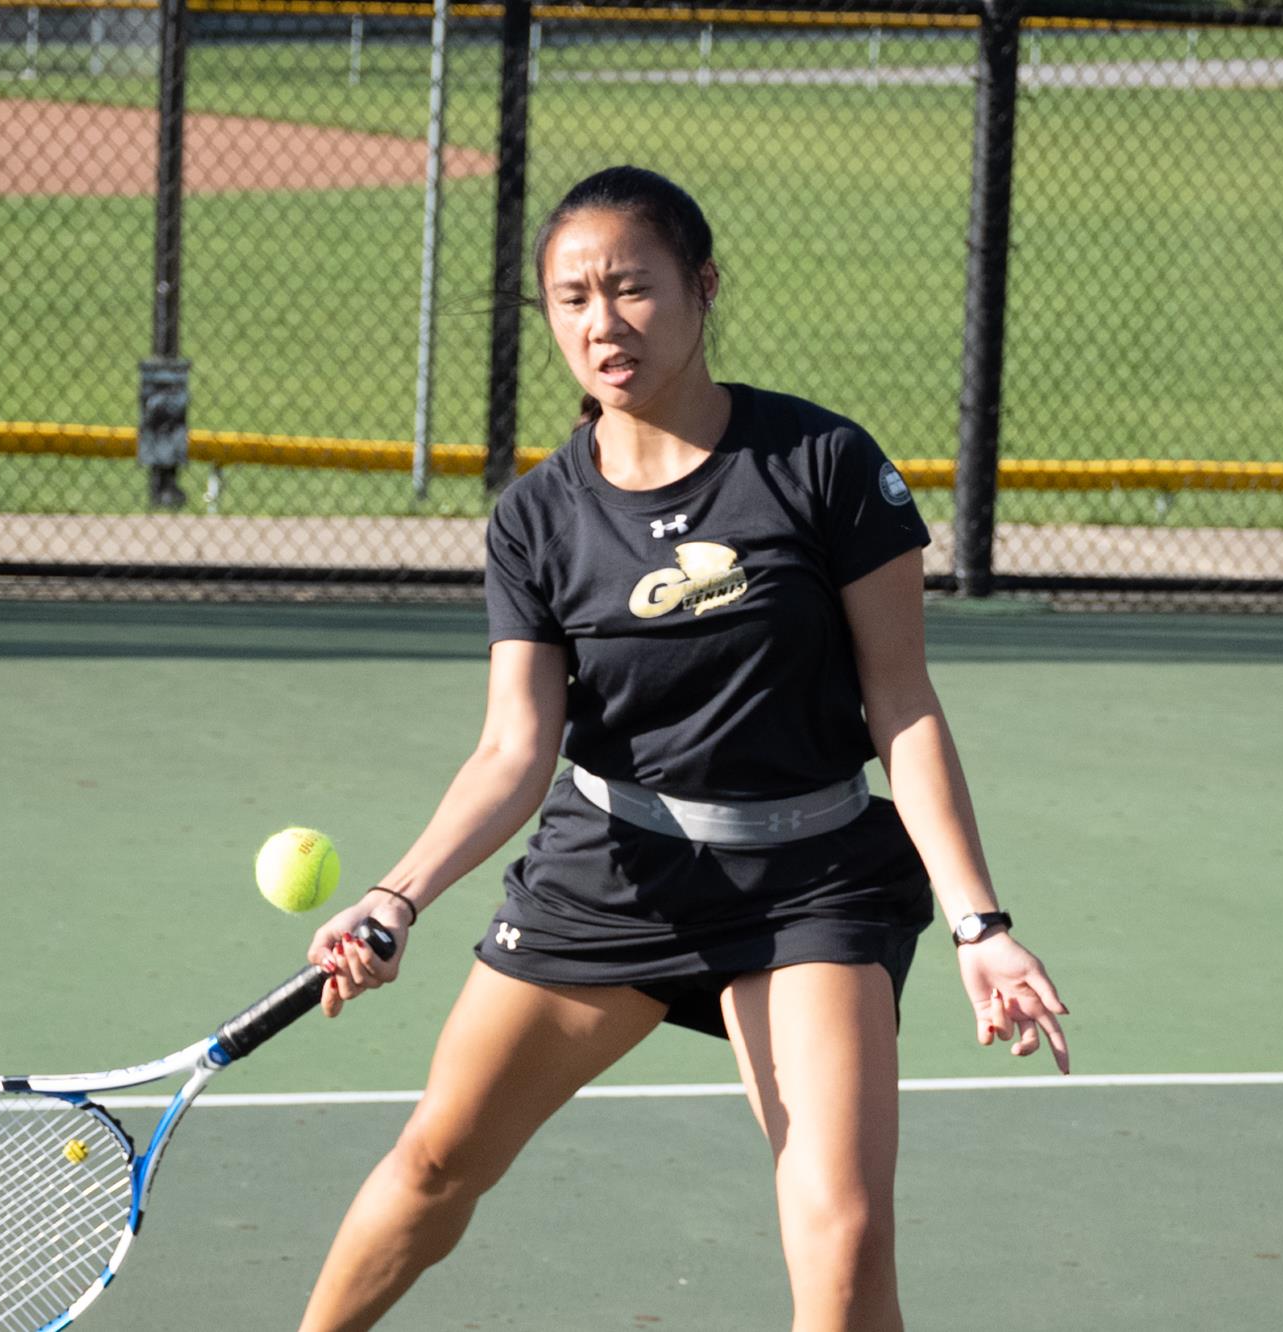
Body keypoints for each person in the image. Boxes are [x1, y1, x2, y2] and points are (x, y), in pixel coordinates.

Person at [295, 165, 1069, 1332]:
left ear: (702, 289)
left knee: (844, 1233)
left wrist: (979, 924)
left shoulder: (822, 465)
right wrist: (396, 897)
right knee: (434, 1168)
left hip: (808, 880)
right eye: (569, 299)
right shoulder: (535, 519)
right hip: (612, 872)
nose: (601, 324)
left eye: (631, 289)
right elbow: (514, 746)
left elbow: (900, 705)